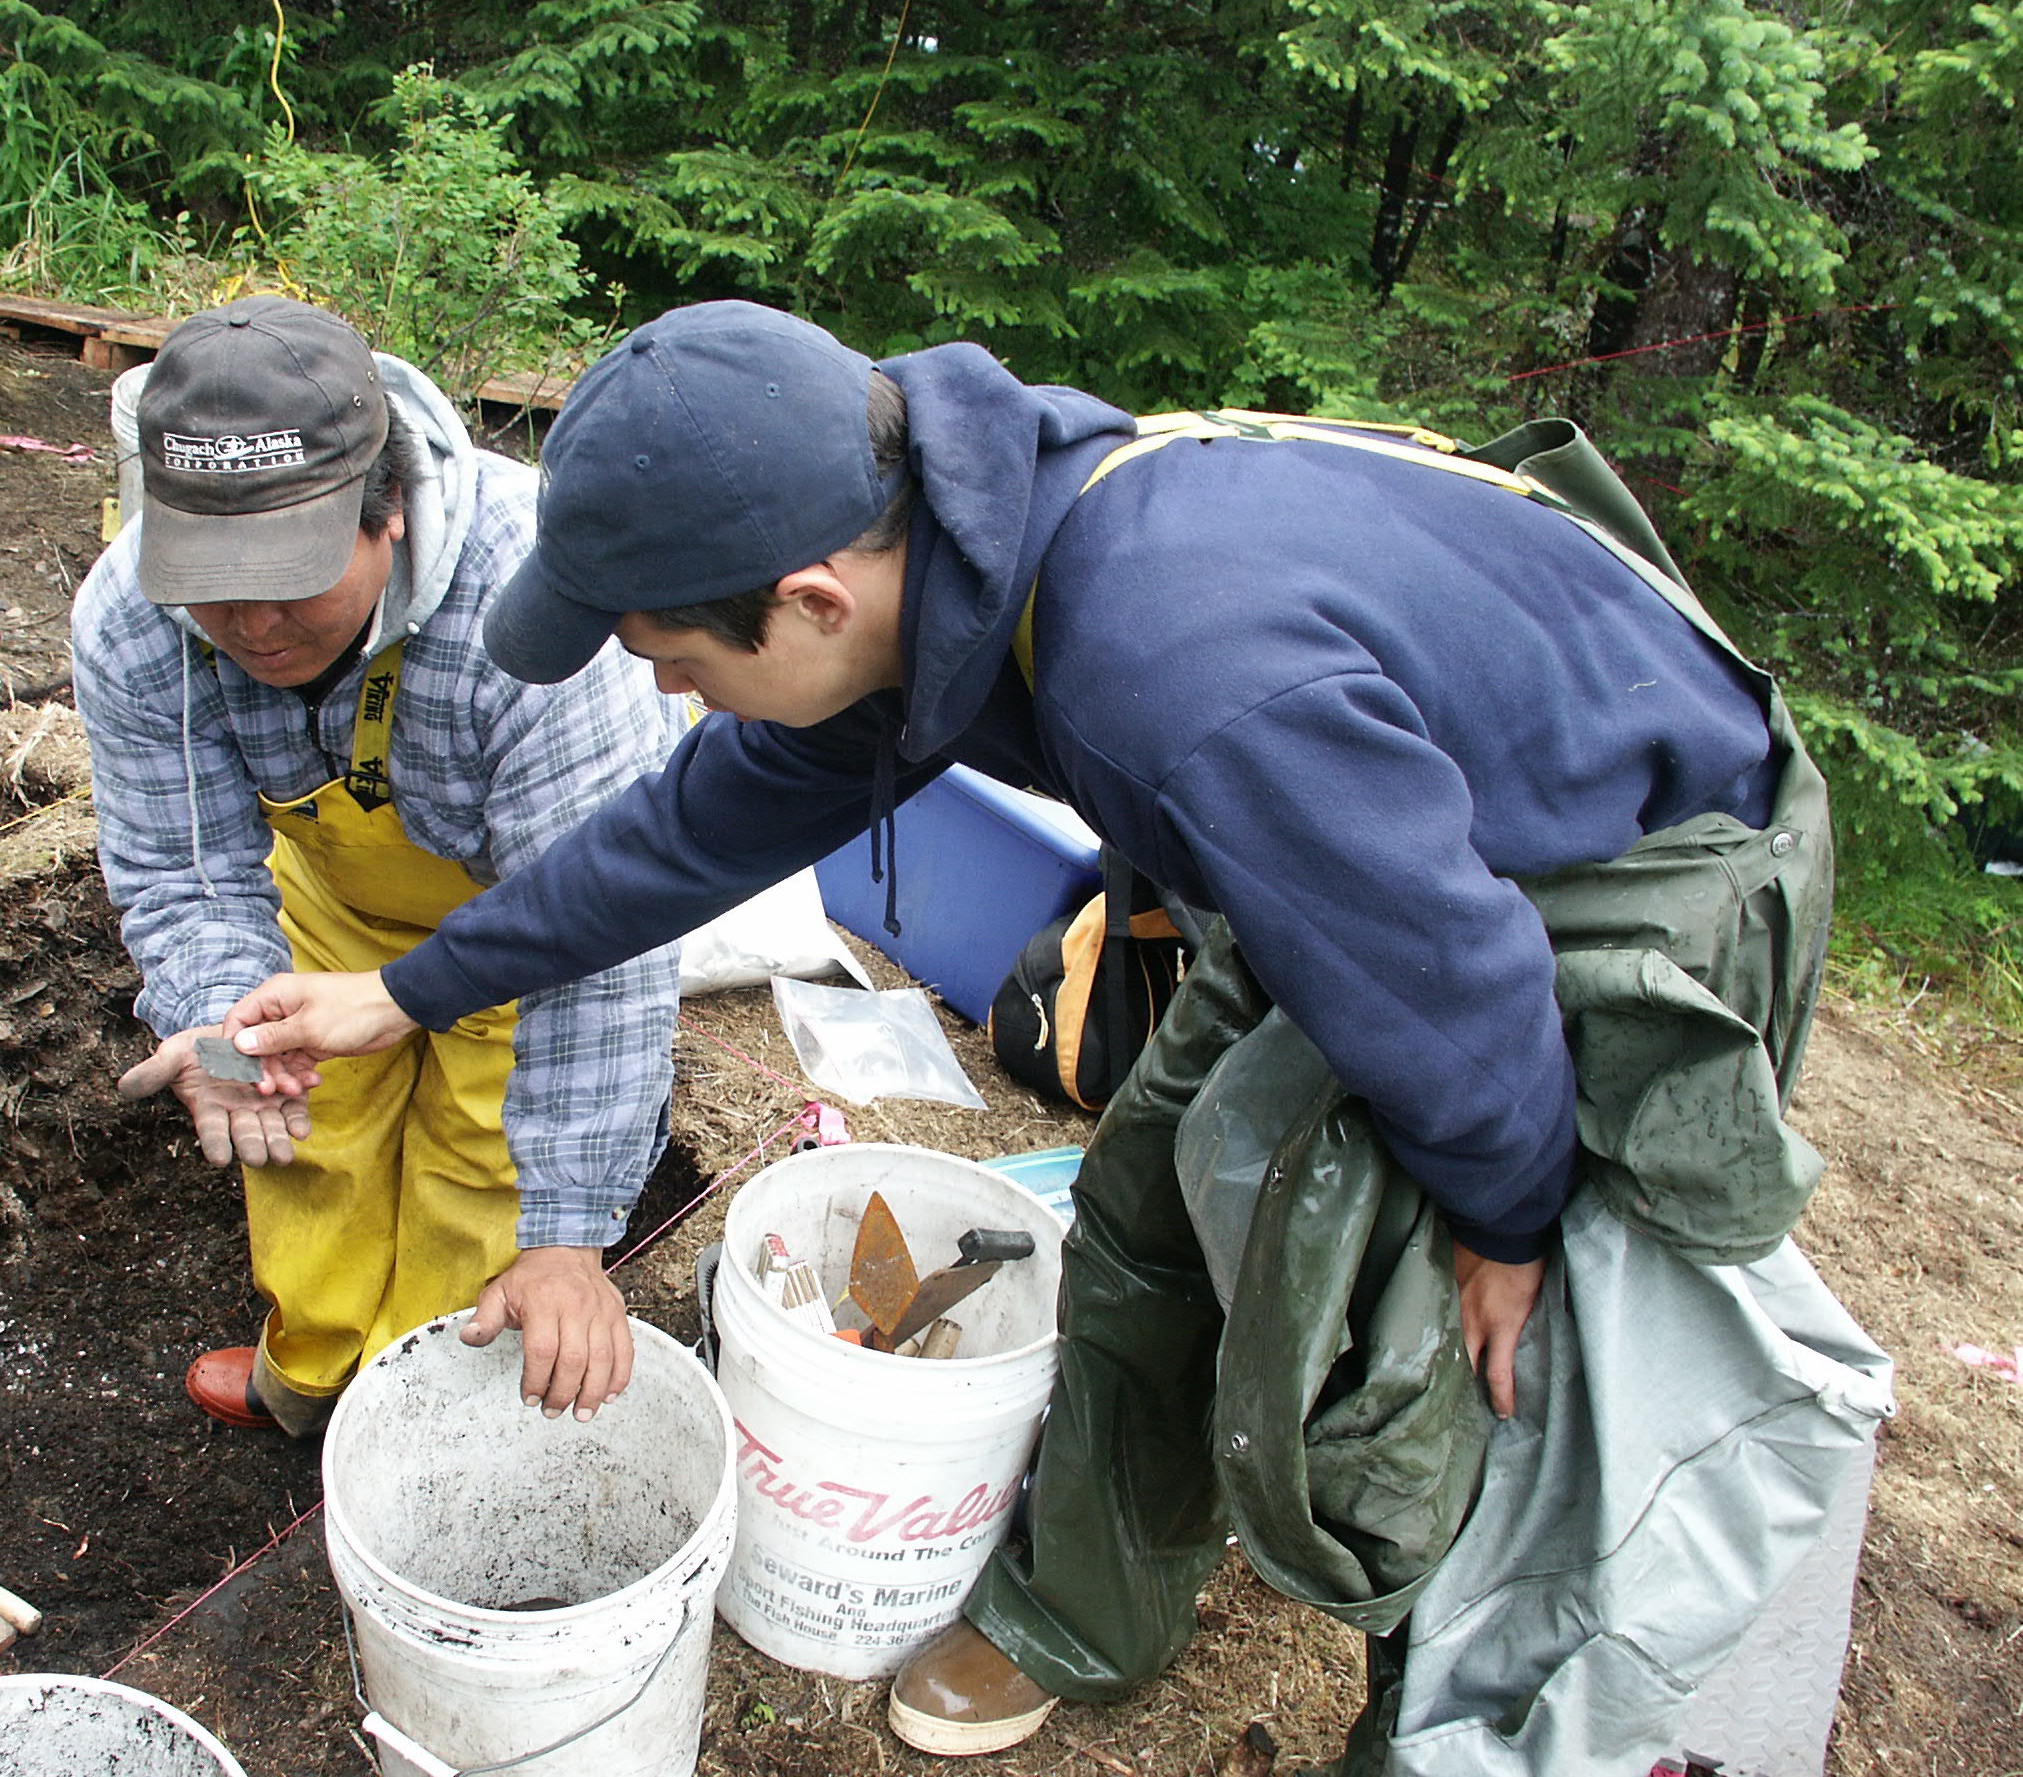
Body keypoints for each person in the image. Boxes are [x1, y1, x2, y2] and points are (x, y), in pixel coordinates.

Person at [221, 301, 1855, 1767]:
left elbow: (1447, 975)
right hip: (1361, 849)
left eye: (674, 659)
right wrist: (400, 993)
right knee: (1145, 1215)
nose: (666, 697)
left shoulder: (1169, 668)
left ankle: (1461, 1708)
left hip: (1602, 874)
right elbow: (679, 835)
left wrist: (1507, 1216)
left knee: (1423, 1355)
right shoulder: (931, 553)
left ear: (804, 596)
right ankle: (1087, 1614)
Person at [74, 296, 682, 1437]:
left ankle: (416, 1422)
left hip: (522, 920)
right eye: (212, 577)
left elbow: (603, 935)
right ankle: (306, 1379)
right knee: (306, 1129)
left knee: (481, 1171)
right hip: (334, 908)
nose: (250, 624)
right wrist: (218, 1022)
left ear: (387, 509)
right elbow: (183, 868)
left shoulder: (536, 602)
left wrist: (567, 1239)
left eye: (290, 575)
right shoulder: (135, 615)